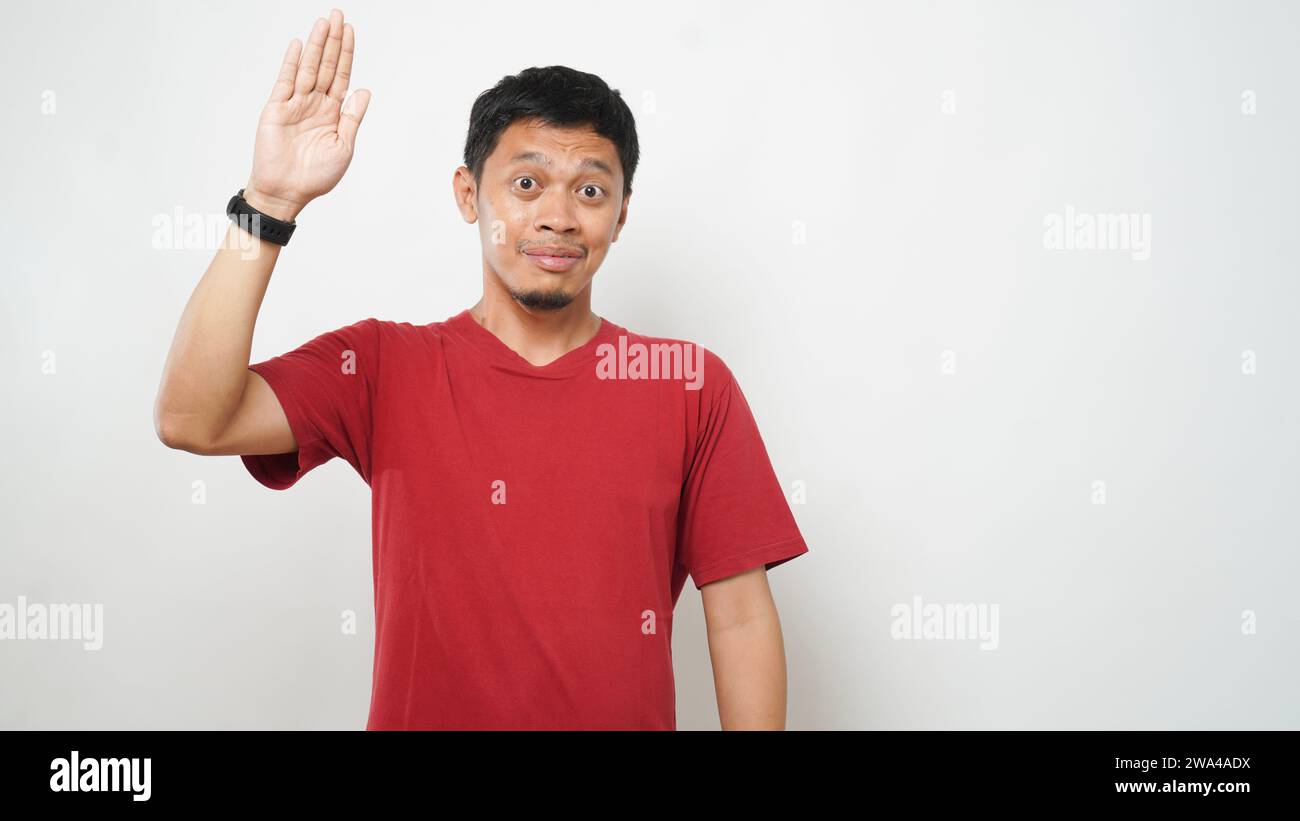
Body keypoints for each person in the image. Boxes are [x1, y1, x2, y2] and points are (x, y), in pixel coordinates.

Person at [153, 8, 809, 730]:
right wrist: (269, 205)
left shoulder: (687, 385)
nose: (558, 216)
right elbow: (191, 417)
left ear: (620, 215)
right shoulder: (379, 366)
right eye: (526, 184)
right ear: (469, 194)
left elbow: (741, 619)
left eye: (590, 190)